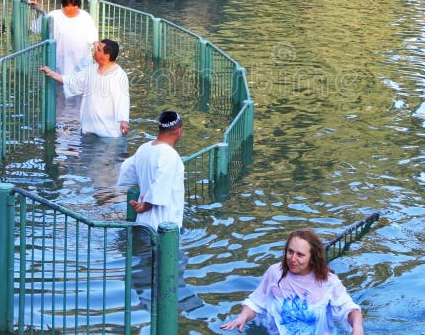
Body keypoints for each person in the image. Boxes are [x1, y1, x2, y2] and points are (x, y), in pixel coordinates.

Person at [220, 228, 365, 335]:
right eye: (290, 252)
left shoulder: (328, 281)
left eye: (300, 255)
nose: (293, 258)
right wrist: (243, 317)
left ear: (312, 257)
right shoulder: (274, 273)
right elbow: (256, 302)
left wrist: (357, 328)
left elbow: (350, 309)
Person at [40, 38, 130, 138]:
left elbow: (124, 99)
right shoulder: (90, 70)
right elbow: (71, 81)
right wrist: (51, 73)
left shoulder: (119, 75)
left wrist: (124, 121)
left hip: (110, 134)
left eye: (99, 50)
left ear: (107, 55)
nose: (95, 51)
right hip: (89, 130)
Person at [116, 110, 185, 230]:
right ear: (178, 131)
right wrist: (146, 205)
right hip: (164, 227)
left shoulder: (144, 148)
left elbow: (126, 170)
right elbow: (160, 186)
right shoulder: (170, 155)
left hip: (141, 222)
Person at [45, 0, 99, 75]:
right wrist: (36, 10)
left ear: (78, 5)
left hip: (81, 59)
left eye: (74, 6)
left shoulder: (85, 16)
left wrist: (96, 45)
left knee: (81, 83)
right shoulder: (54, 16)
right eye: (68, 6)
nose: (71, 9)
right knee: (61, 81)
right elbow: (38, 26)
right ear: (63, 4)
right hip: (61, 59)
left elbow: (93, 34)